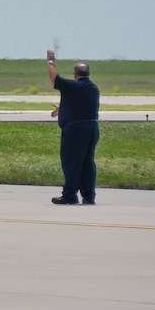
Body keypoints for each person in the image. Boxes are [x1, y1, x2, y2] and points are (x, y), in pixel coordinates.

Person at [46, 48, 99, 205]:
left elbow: (54, 78)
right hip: (91, 129)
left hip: (76, 131)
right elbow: (82, 106)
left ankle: (69, 195)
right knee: (87, 163)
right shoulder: (93, 88)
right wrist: (62, 110)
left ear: (75, 75)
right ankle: (89, 196)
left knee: (72, 162)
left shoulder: (72, 86)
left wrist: (50, 61)